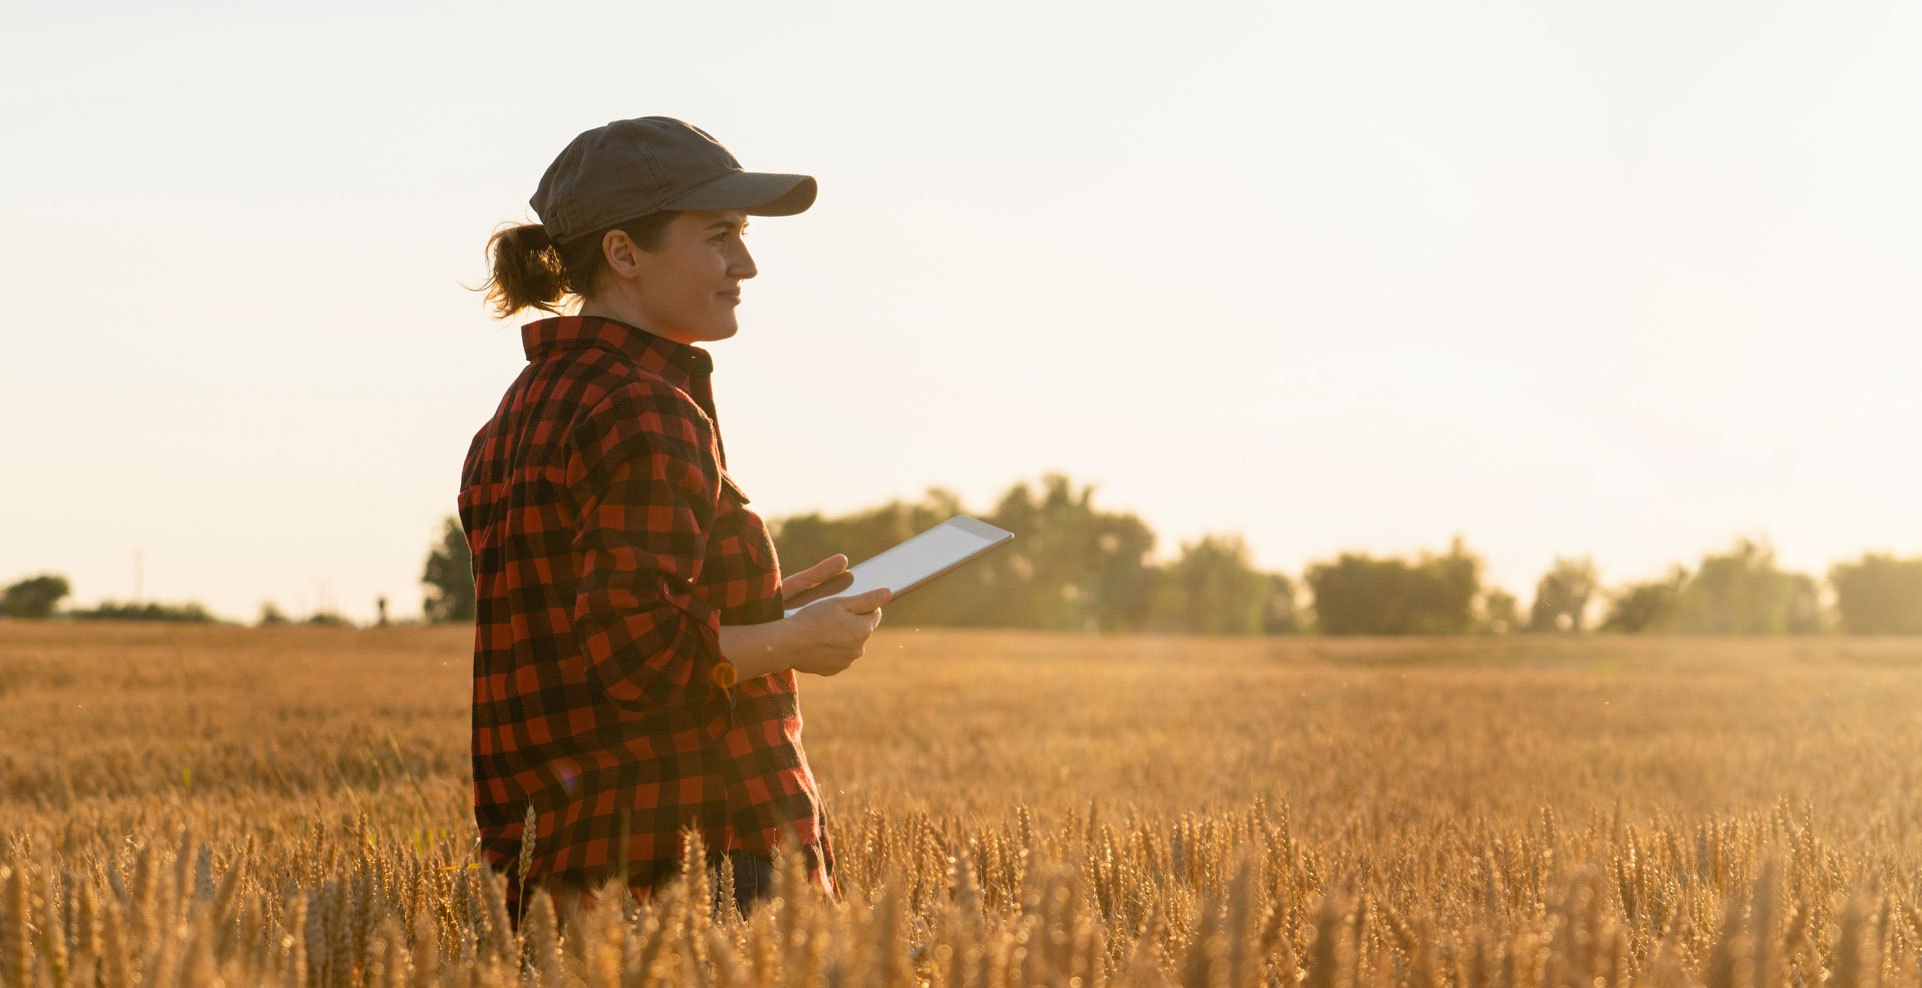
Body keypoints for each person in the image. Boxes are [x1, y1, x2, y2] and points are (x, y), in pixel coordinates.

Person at [460, 116, 891, 918]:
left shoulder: (516, 416)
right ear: (623, 254)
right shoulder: (647, 408)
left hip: (564, 868)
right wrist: (794, 641)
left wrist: (752, 604)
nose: (747, 264)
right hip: (697, 863)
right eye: (719, 234)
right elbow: (639, 657)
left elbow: (578, 633)